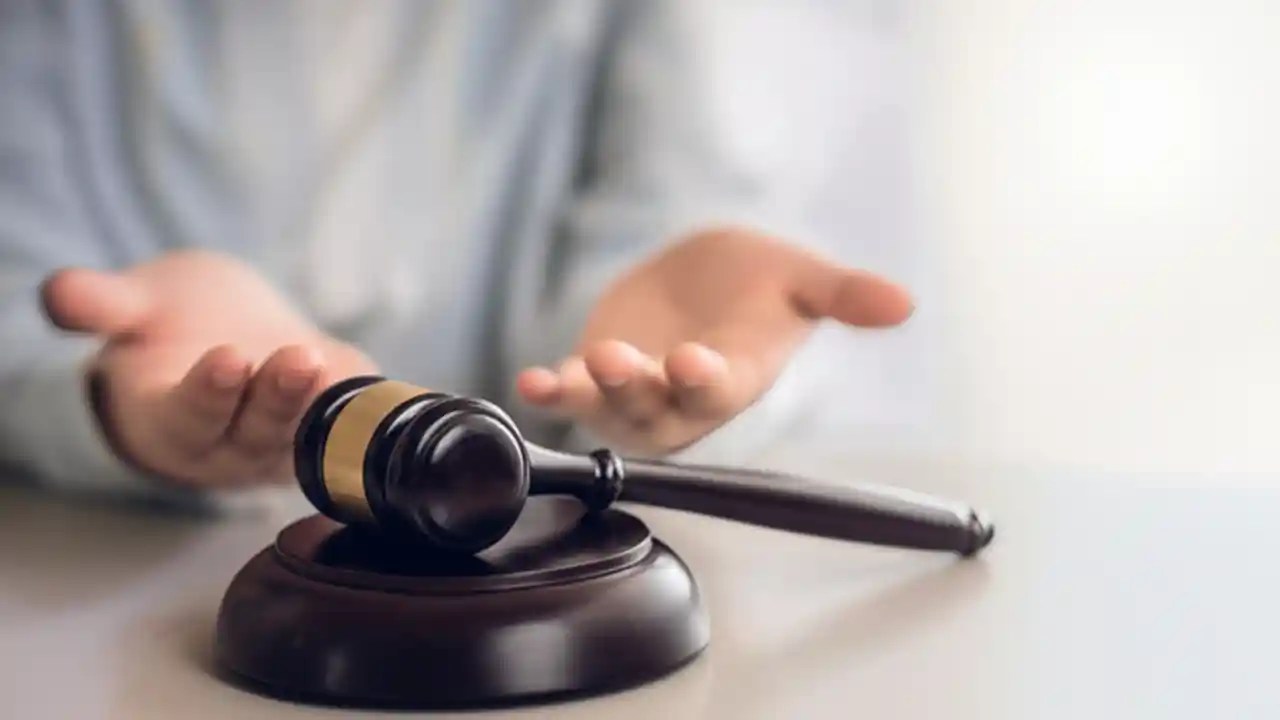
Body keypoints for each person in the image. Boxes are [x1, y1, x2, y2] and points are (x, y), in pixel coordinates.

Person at [0, 1, 915, 506]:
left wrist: (649, 351)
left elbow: (681, 214)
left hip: (557, 539)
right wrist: (97, 400)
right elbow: (23, 304)